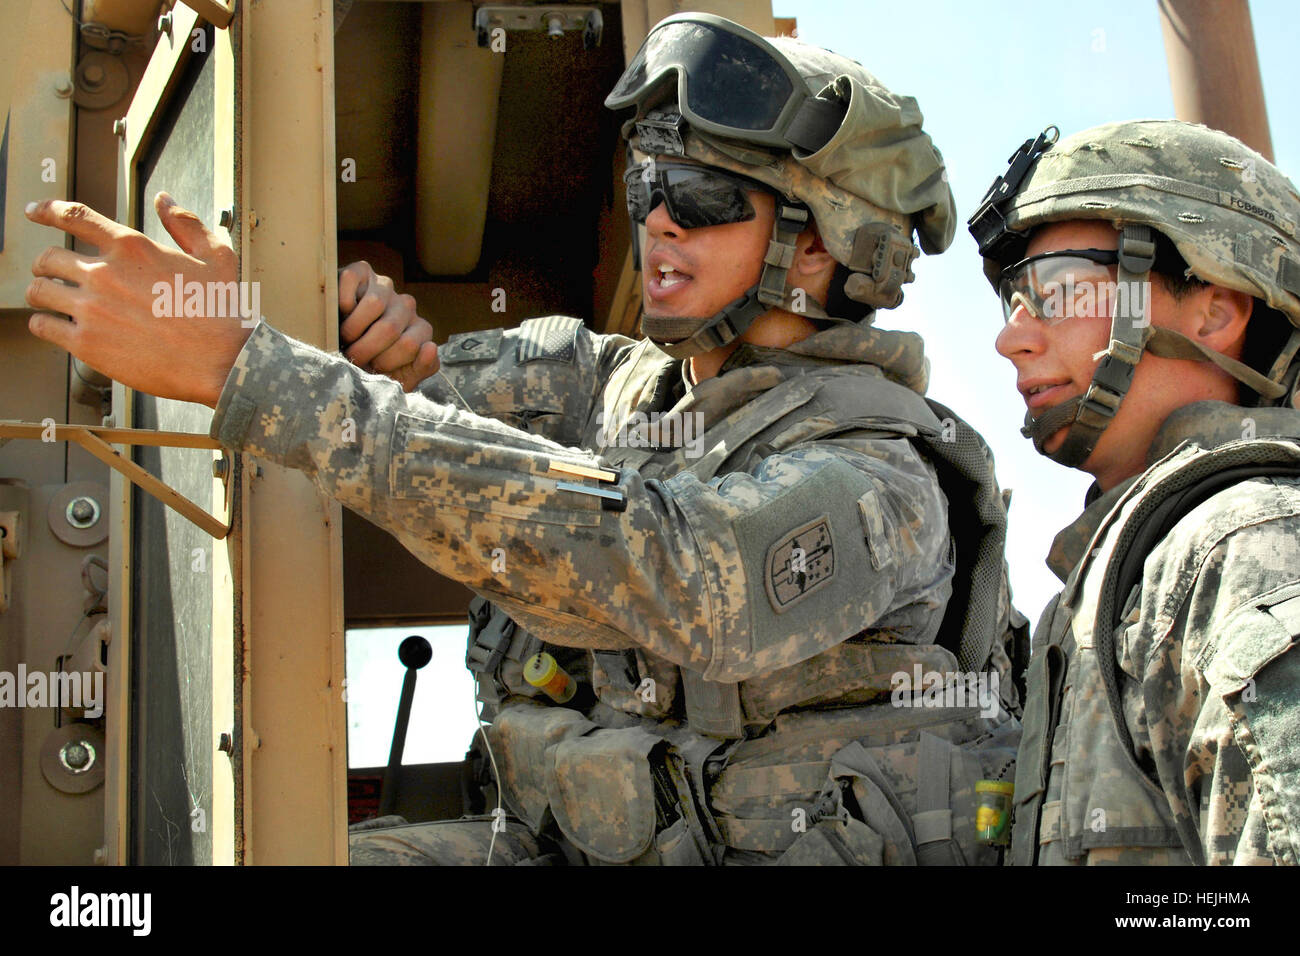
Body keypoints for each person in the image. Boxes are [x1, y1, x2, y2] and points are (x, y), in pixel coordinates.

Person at [24, 14, 1022, 865]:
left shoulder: (881, 479)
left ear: (822, 245)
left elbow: (669, 562)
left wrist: (251, 372)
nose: (660, 225)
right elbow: (421, 397)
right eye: (646, 193)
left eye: (706, 200)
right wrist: (339, 332)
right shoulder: (612, 384)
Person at [969, 119, 1300, 865]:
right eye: (1015, 298)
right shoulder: (1126, 574)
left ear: (1215, 309)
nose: (1011, 338)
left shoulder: (1243, 545)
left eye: (1056, 290)